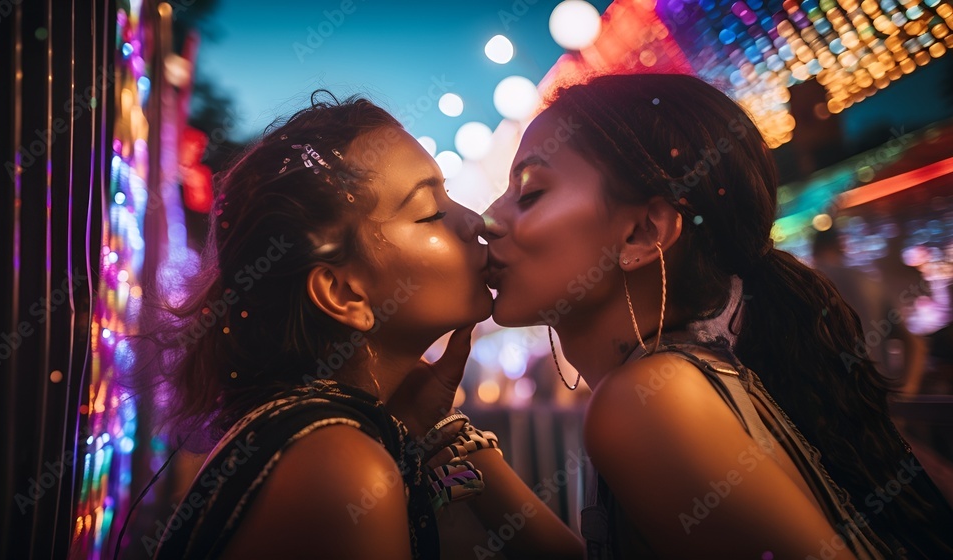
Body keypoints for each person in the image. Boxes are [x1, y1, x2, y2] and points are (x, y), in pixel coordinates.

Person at [482, 73, 953, 558]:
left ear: (643, 233)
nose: (487, 219)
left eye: (530, 192)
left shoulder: (649, 399)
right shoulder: (679, 379)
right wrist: (454, 441)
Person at [137, 94, 583, 559]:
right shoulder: (341, 466)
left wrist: (439, 431)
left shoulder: (328, 433)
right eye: (431, 212)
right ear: (343, 293)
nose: (476, 221)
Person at [811, 227, 927, 395]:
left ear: (814, 249)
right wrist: (907, 391)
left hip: (829, 395)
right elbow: (915, 344)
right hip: (874, 396)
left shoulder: (808, 283)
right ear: (841, 247)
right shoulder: (870, 283)